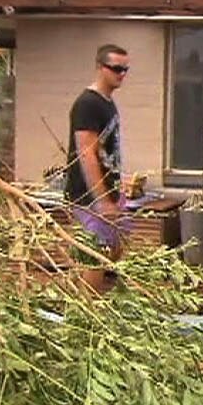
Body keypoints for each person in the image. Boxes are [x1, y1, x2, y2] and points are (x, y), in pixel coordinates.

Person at [65, 44, 131, 261]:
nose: (121, 74)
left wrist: (119, 185)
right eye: (116, 68)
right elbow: (87, 153)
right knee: (95, 257)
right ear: (100, 67)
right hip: (89, 198)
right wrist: (102, 199)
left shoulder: (108, 103)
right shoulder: (88, 104)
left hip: (112, 192)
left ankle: (107, 294)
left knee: (117, 251)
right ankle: (87, 296)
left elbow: (106, 151)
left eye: (125, 69)